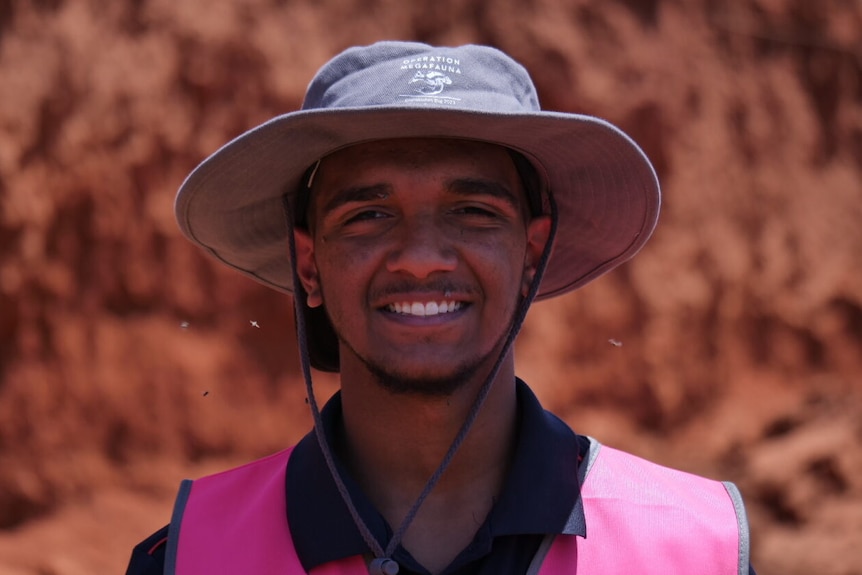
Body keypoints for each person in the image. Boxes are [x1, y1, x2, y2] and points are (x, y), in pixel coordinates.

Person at [126, 41, 754, 575]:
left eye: (473, 212)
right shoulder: (189, 556)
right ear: (309, 264)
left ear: (531, 254)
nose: (422, 258)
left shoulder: (697, 547)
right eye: (368, 215)